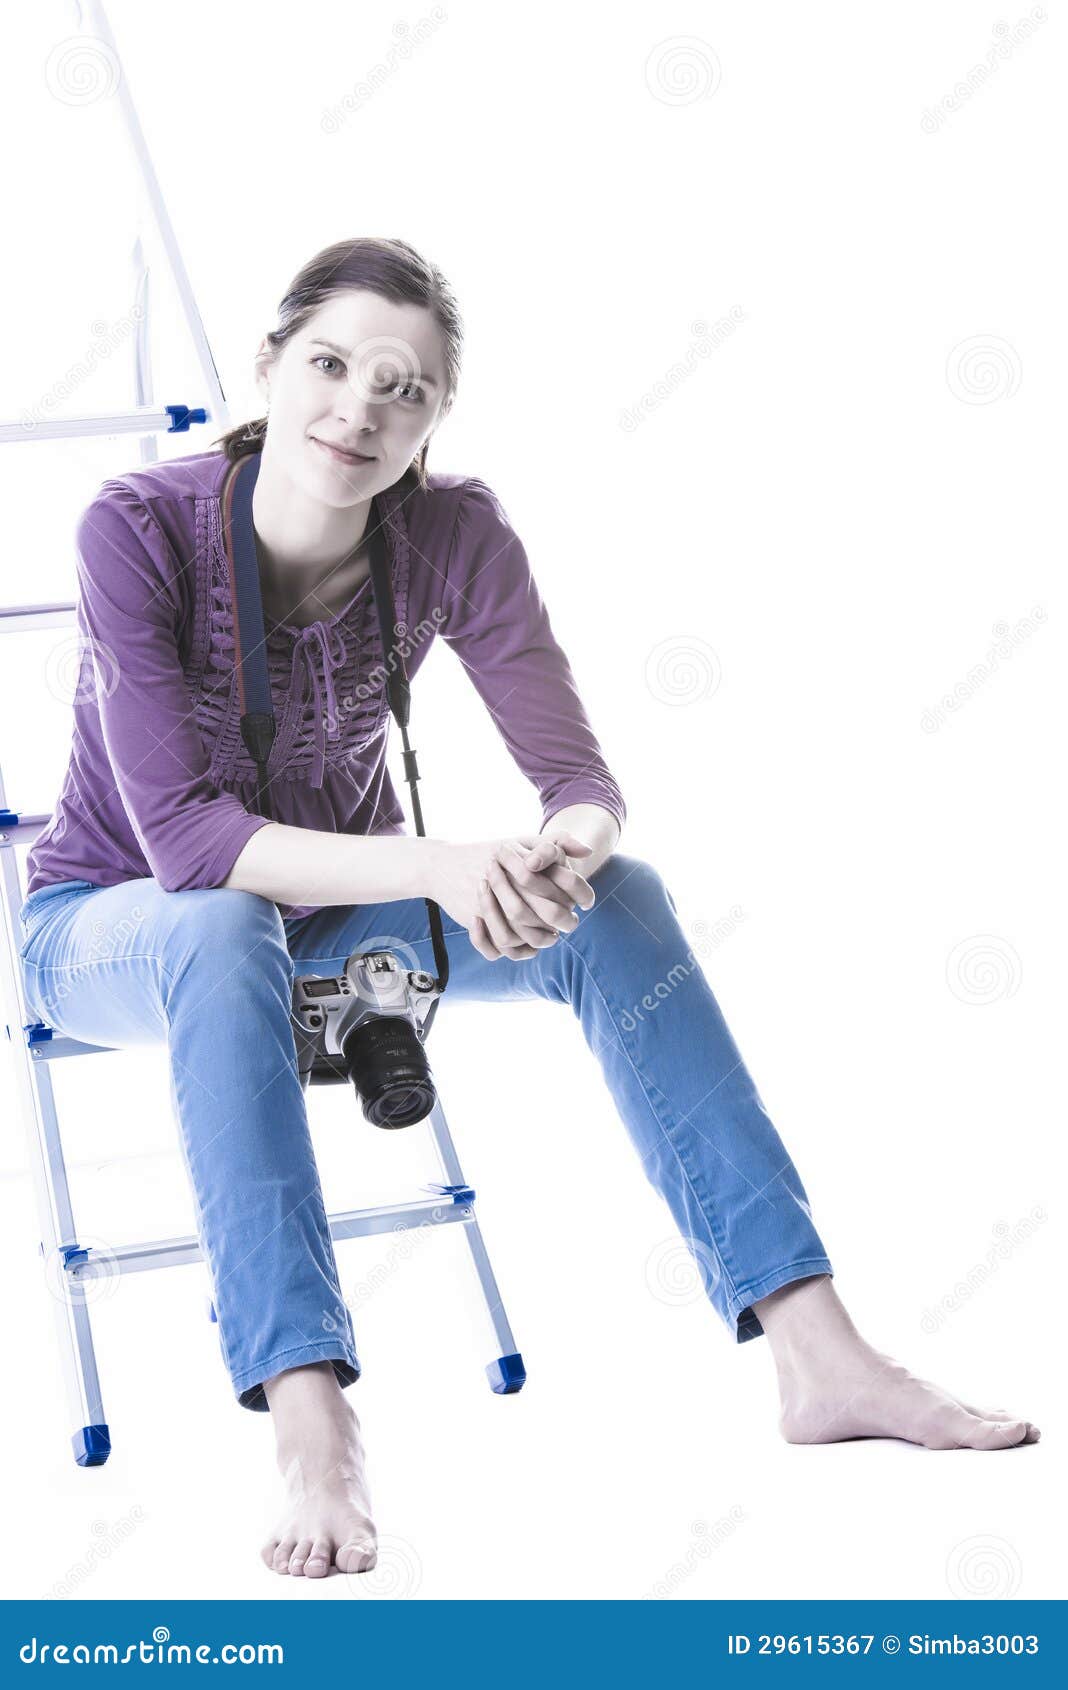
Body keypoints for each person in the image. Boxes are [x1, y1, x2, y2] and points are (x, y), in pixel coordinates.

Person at [16, 238, 1038, 1584]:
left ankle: (815, 1346)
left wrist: (562, 848)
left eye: (404, 387)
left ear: (437, 414)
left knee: (623, 899)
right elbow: (193, 846)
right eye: (328, 365)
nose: (359, 409)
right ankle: (314, 1425)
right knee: (222, 924)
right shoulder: (136, 527)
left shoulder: (455, 531)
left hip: (344, 912)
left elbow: (579, 778)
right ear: (267, 368)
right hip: (116, 916)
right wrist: (441, 864)